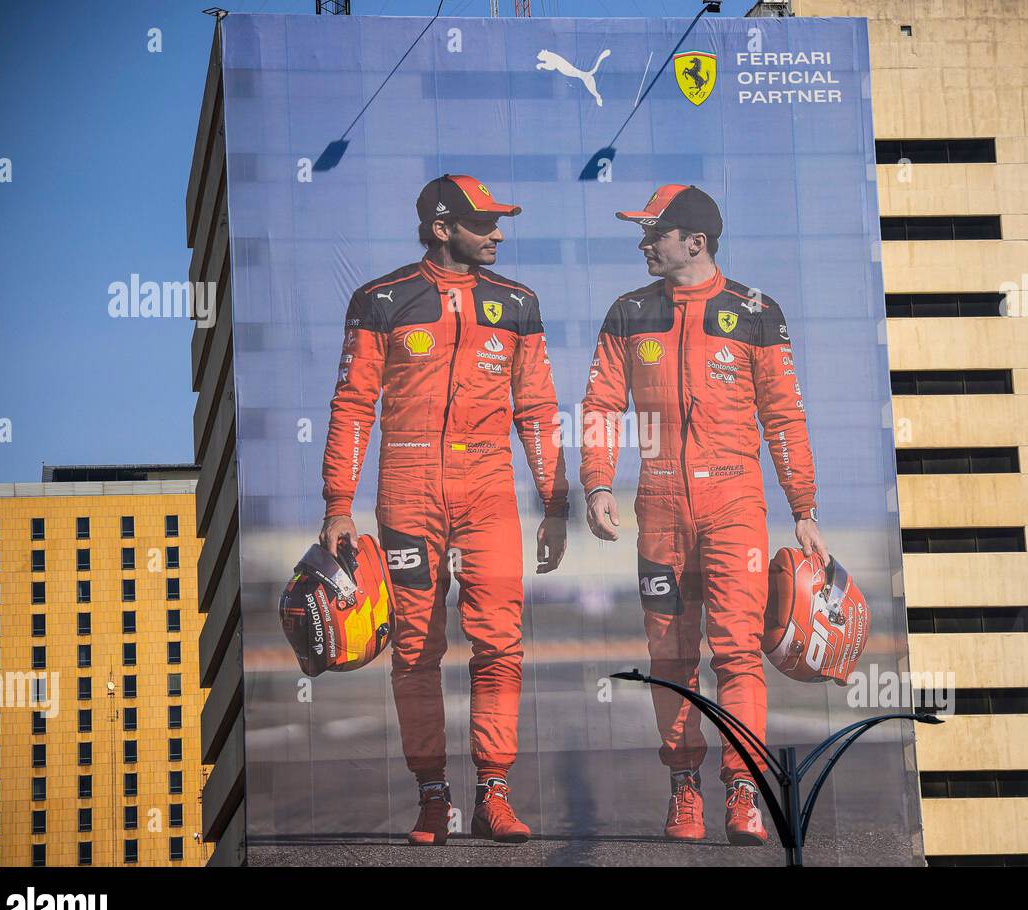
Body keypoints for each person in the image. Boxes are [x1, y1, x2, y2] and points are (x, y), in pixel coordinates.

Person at [320, 174, 569, 845]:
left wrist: (556, 504)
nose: (498, 233)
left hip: (488, 491)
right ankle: (433, 797)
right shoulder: (380, 299)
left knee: (498, 641)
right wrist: (338, 504)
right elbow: (352, 406)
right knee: (415, 649)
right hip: (407, 488)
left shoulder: (518, 302)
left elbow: (539, 412)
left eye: (498, 222)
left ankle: (494, 792)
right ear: (440, 227)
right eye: (483, 223)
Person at [580, 184, 827, 845]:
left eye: (653, 232)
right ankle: (683, 790)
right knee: (670, 657)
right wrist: (597, 483)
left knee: (738, 651)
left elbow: (783, 413)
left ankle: (743, 792)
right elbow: (602, 404)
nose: (643, 243)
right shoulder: (628, 312)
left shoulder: (755, 311)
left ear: (695, 241)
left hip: (735, 503)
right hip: (658, 506)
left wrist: (802, 505)